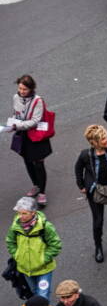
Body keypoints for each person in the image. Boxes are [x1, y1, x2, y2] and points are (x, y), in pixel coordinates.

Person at [74, 124, 107, 262]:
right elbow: (78, 169)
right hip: (95, 192)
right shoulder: (85, 155)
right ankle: (98, 247)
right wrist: (81, 186)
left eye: (106, 137)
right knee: (98, 222)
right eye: (103, 139)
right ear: (95, 142)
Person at [3, 75, 51, 207]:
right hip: (24, 135)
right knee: (28, 161)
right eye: (20, 88)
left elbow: (35, 121)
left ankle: (42, 192)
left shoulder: (38, 101)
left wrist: (17, 125)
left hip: (36, 136)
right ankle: (36, 185)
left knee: (39, 164)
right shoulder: (15, 97)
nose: (22, 91)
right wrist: (12, 122)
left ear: (31, 88)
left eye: (25, 89)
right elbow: (16, 114)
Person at [7, 195, 60, 300]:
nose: (21, 216)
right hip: (25, 269)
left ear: (33, 213)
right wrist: (17, 256)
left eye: (24, 213)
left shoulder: (45, 226)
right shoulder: (15, 226)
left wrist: (43, 259)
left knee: (43, 295)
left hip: (44, 269)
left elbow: (55, 244)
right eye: (19, 213)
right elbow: (10, 242)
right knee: (34, 292)